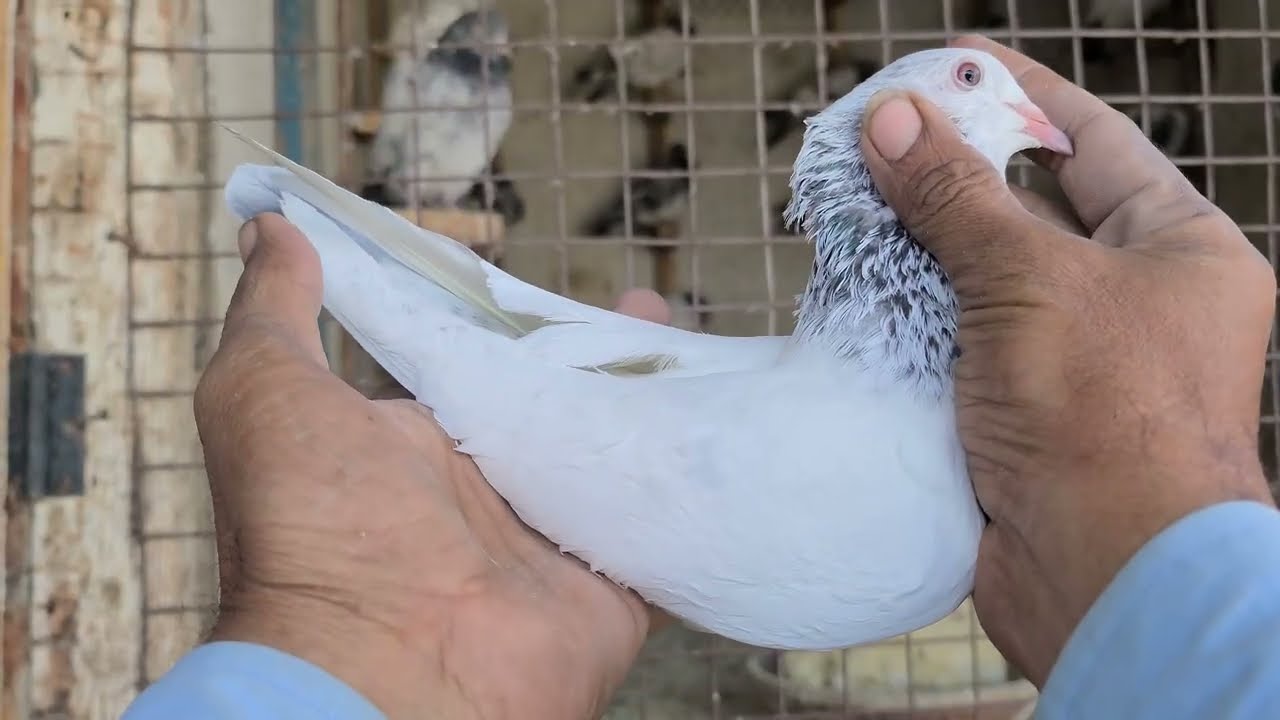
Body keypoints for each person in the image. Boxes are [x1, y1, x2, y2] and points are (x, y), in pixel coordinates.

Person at [122, 36, 1280, 719]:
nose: (1022, 111)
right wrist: (1157, 516)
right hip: (608, 424)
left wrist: (344, 655)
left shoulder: (898, 477)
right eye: (977, 85)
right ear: (894, 132)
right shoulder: (896, 491)